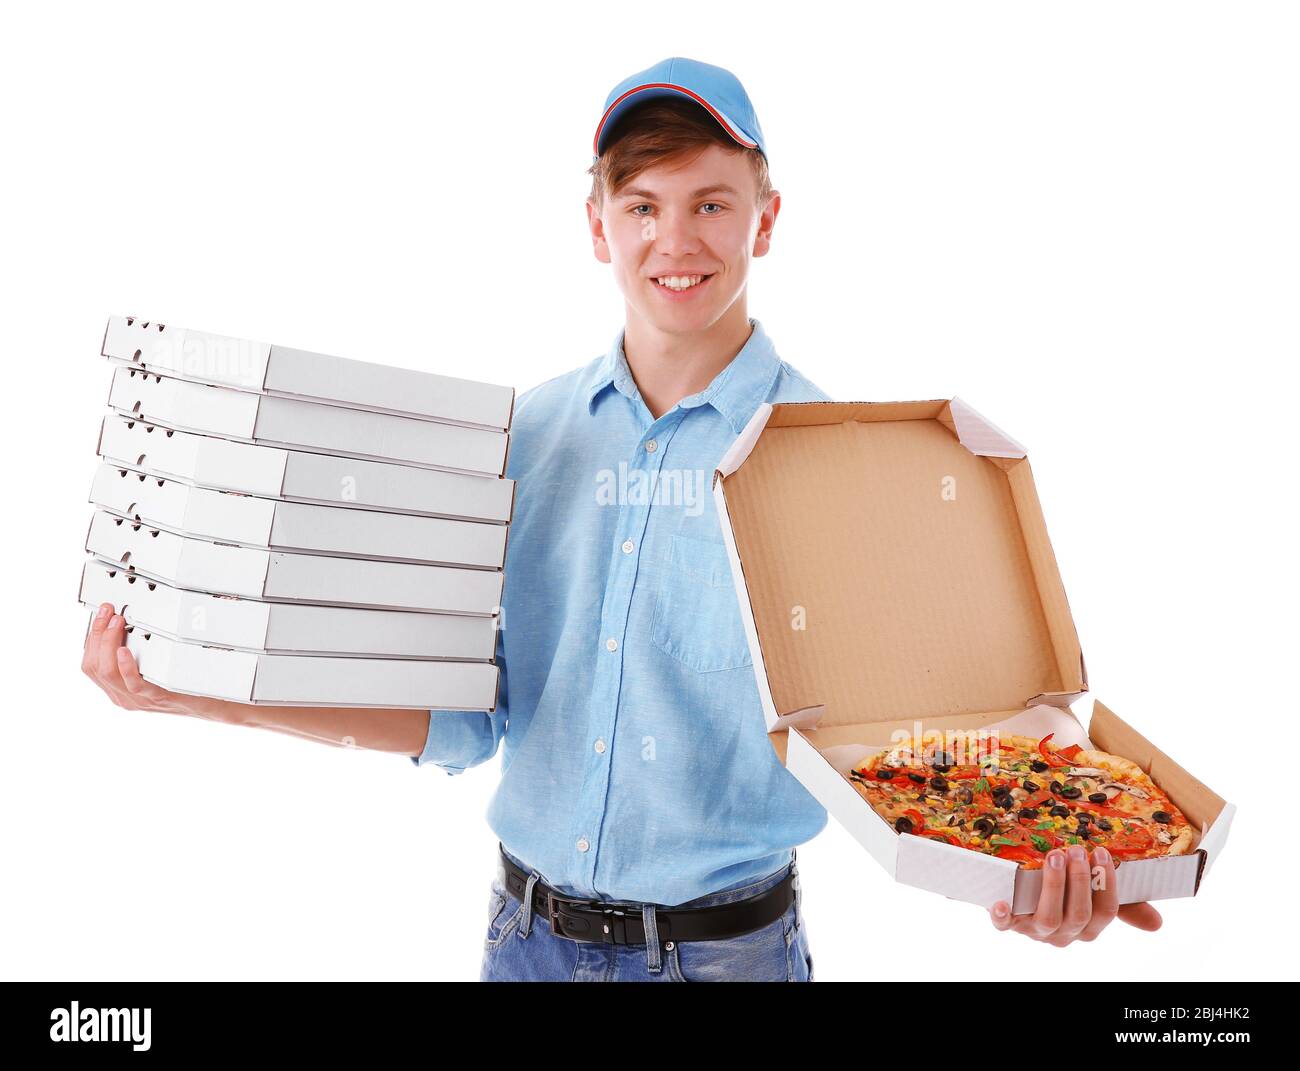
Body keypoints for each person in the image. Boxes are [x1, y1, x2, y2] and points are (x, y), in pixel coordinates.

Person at [81, 57, 1162, 981]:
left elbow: (904, 728)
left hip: (727, 957)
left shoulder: (843, 460)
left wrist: (1012, 877)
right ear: (596, 226)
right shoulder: (524, 440)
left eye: (709, 203)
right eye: (641, 204)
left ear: (766, 219)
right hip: (524, 942)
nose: (674, 240)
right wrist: (204, 695)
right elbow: (466, 716)